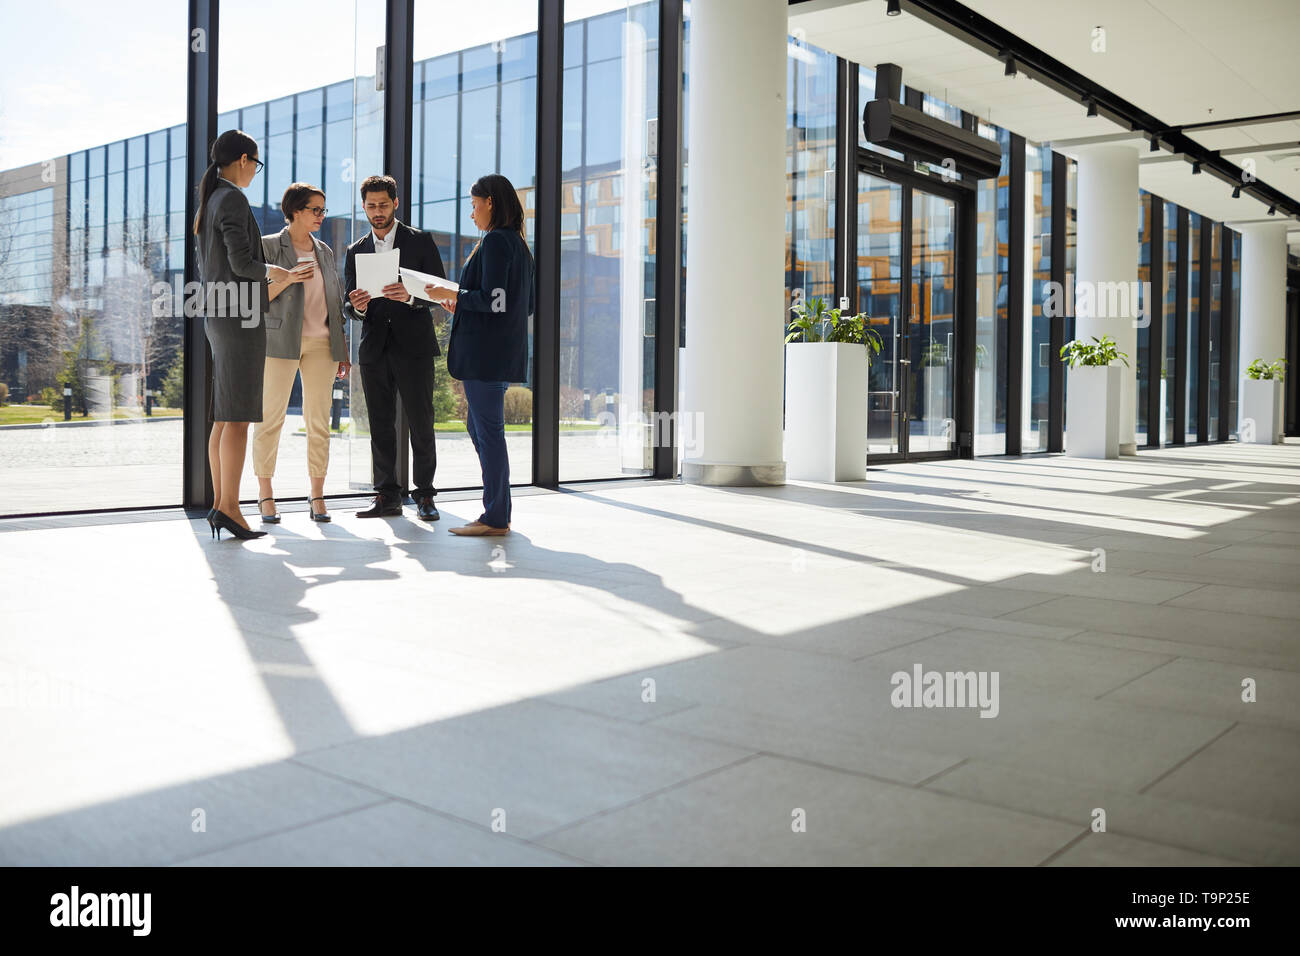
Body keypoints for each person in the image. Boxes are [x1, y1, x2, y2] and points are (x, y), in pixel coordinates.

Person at [194, 129, 293, 541]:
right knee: (237, 418)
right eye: (256, 163)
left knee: (224, 416)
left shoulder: (210, 199)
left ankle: (222, 505)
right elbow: (240, 261)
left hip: (219, 314)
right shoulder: (231, 197)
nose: (255, 171)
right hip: (240, 317)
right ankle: (231, 508)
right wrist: (275, 272)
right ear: (243, 159)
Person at [426, 174, 533, 536]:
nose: (472, 214)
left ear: (489, 202)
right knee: (481, 428)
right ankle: (497, 509)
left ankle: (496, 517)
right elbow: (520, 306)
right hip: (499, 354)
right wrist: (464, 305)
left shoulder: (497, 244)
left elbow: (496, 301)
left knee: (488, 432)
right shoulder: (518, 245)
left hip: (486, 356)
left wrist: (452, 293)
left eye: (474, 205)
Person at [343, 175, 446, 521]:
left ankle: (425, 496)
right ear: (364, 207)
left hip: (413, 346)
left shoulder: (420, 241)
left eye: (383, 205)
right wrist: (355, 305)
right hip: (374, 349)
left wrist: (411, 295)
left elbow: (438, 291)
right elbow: (348, 304)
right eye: (371, 206)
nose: (377, 212)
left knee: (421, 422)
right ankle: (387, 495)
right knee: (380, 424)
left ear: (395, 203)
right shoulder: (355, 250)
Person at [252, 183, 351, 524]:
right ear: (295, 210)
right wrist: (288, 279)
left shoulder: (324, 250)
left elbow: (334, 302)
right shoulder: (267, 247)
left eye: (324, 210)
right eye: (316, 210)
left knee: (319, 422)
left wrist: (342, 349)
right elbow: (254, 299)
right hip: (279, 343)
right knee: (270, 419)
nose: (322, 216)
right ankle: (265, 495)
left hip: (322, 344)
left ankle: (318, 495)